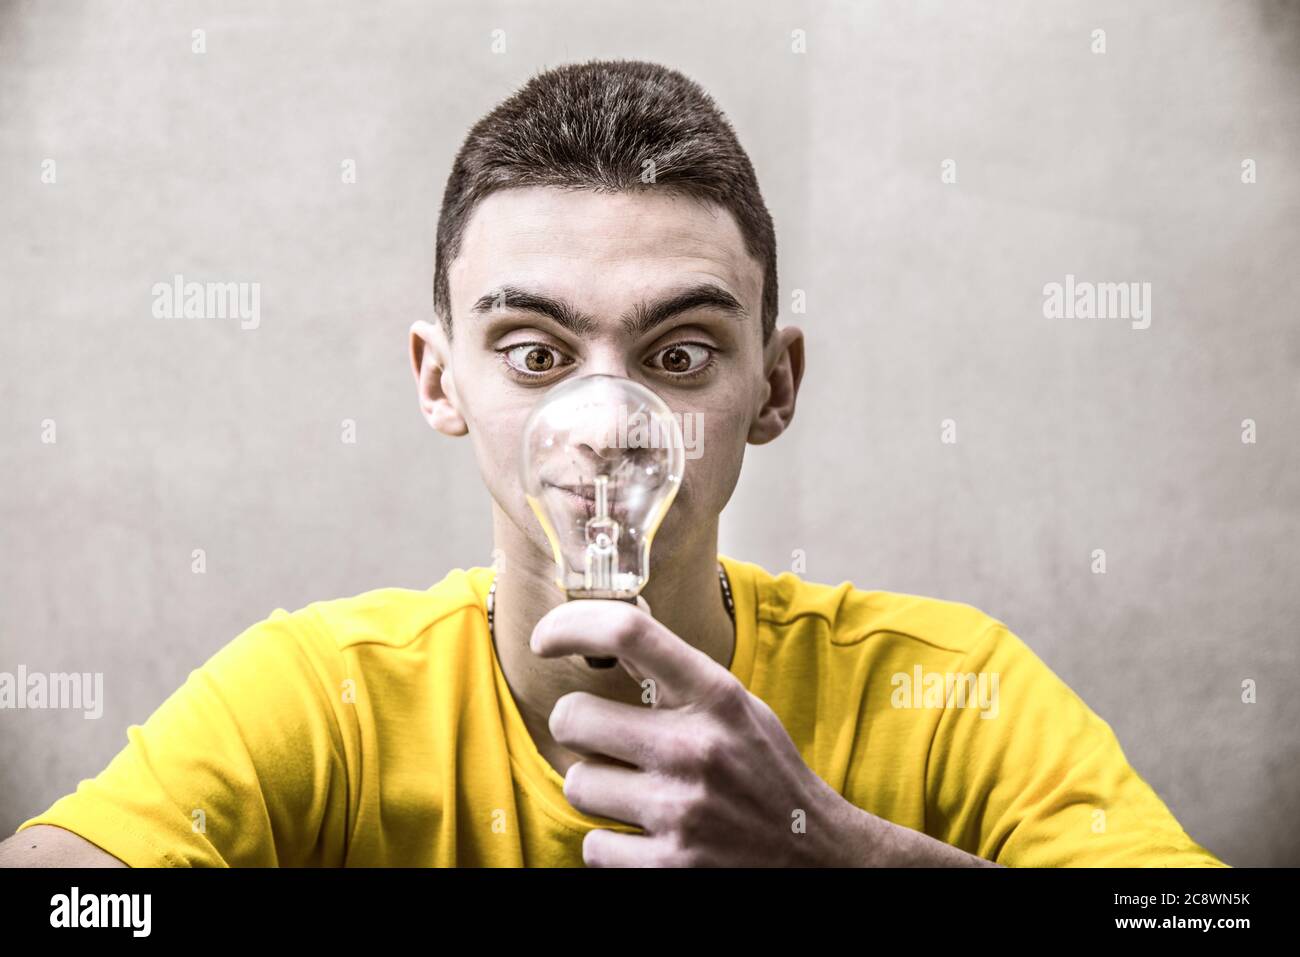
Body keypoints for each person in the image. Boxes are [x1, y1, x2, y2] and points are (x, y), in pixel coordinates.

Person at [1, 59, 1225, 868]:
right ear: (440, 380)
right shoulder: (324, 702)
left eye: (680, 352)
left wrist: (840, 851)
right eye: (534, 353)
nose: (605, 422)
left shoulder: (951, 691)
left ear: (774, 384)